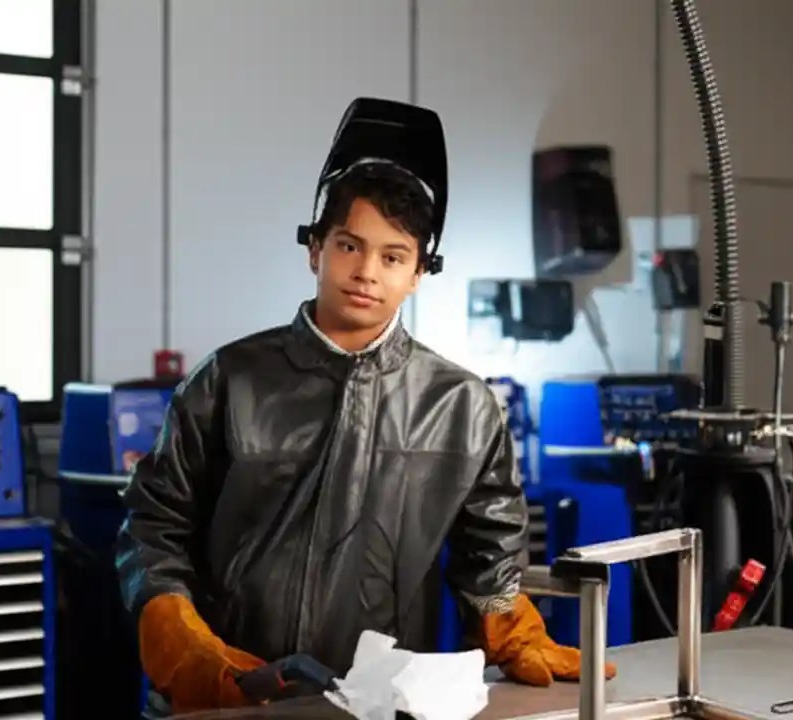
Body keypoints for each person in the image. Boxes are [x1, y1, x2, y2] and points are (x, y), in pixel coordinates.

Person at [114, 98, 615, 715]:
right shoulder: (229, 380)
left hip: (377, 702)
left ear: (419, 273)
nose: (367, 271)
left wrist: (511, 627)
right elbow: (152, 528)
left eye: (393, 256)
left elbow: (492, 561)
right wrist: (184, 646)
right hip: (231, 694)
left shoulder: (463, 406)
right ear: (314, 249)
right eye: (350, 246)